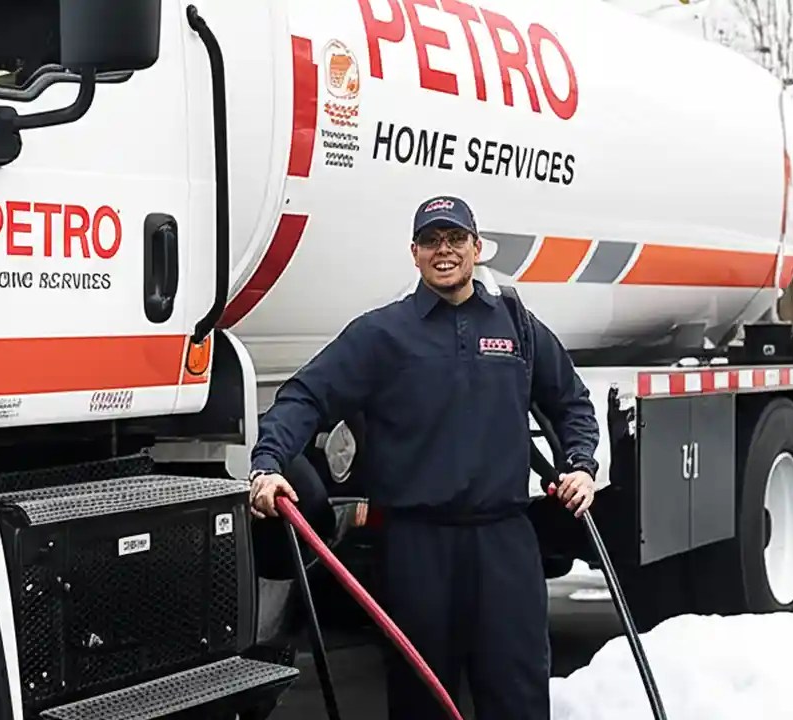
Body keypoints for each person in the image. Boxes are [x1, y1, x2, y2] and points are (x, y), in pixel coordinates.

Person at [247, 195, 601, 720]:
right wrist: (268, 464)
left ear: (477, 248)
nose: (444, 250)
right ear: (414, 253)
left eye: (455, 238)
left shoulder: (517, 325)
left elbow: (571, 403)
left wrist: (581, 465)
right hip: (417, 547)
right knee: (421, 700)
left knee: (518, 694)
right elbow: (306, 397)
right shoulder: (381, 334)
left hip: (505, 543)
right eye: (431, 241)